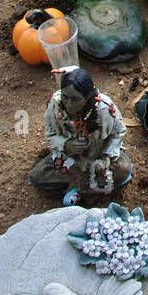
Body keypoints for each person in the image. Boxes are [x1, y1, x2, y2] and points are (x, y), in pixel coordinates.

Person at [29, 67, 131, 205]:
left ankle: (78, 188)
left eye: (75, 99)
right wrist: (65, 144)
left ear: (88, 96)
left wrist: (107, 156)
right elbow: (50, 133)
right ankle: (84, 186)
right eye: (65, 97)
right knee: (37, 175)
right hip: (69, 158)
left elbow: (118, 132)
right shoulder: (55, 104)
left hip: (97, 156)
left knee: (123, 168)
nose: (69, 104)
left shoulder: (103, 109)